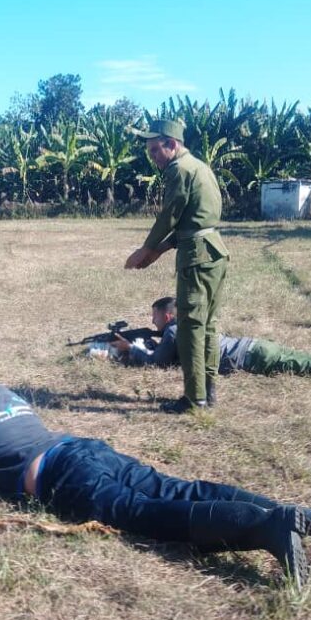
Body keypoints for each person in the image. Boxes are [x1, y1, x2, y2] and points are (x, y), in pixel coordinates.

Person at [0, 353, 311, 590]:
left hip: (63, 477)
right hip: (82, 447)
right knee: (179, 487)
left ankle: (271, 528)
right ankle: (300, 515)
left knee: (148, 514)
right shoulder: (4, 393)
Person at [124, 119, 228, 413]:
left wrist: (145, 249)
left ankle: (194, 399)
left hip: (197, 258)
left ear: (172, 144)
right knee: (208, 326)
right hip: (215, 252)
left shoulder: (178, 170)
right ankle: (208, 391)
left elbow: (170, 216)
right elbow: (190, 222)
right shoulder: (200, 167)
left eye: (156, 150)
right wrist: (158, 251)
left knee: (191, 328)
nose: (153, 157)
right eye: (150, 152)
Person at [105, 298, 311, 382]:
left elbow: (159, 364)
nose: (152, 322)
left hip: (255, 357)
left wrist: (131, 348)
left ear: (168, 317)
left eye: (155, 317)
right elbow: (172, 356)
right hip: (256, 348)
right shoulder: (185, 326)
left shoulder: (172, 331)